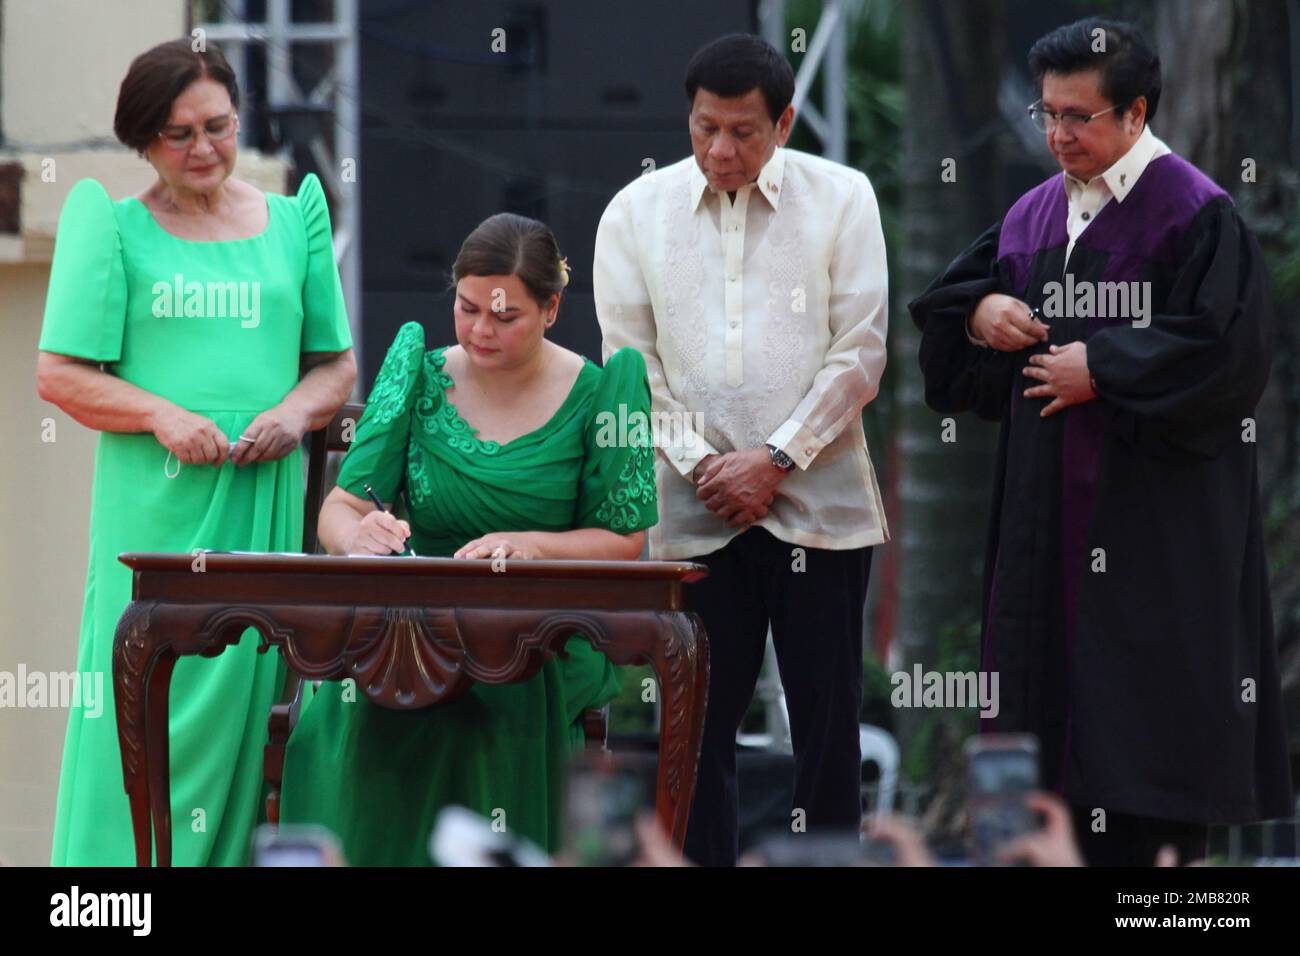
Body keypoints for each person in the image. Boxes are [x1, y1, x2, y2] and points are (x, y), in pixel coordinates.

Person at [908, 17, 1294, 866]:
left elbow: (1230, 357)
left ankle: (1169, 912)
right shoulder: (1032, 215)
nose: (1056, 134)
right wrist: (979, 314)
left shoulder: (1193, 213)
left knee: (1143, 752)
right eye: (1047, 114)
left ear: (1134, 113)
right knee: (1035, 741)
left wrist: (1105, 368)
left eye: (1079, 117)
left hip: (1153, 533)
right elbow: (948, 323)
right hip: (1042, 529)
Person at [36, 38, 356, 865]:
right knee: (138, 706)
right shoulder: (111, 226)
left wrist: (292, 414)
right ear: (143, 138)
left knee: (248, 716)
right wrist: (159, 416)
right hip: (154, 511)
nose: (204, 147)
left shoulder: (295, 220)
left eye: (218, 125)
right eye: (179, 134)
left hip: (260, 494)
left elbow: (337, 366)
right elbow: (59, 375)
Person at [279, 213, 657, 865]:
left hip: (534, 634)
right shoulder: (419, 375)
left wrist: (531, 546)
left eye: (505, 316)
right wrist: (360, 533)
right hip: (409, 631)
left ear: (551, 309)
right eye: (467, 307)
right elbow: (338, 509)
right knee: (368, 707)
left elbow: (624, 541)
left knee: (490, 702)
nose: (481, 330)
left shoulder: (604, 393)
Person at [594, 33, 890, 866]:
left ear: (786, 122)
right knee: (693, 737)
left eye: (744, 132)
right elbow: (630, 365)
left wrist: (776, 459)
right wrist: (706, 468)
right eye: (704, 129)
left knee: (828, 733)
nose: (721, 150)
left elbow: (861, 351)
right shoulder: (634, 212)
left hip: (820, 510)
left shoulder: (843, 198)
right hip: (691, 514)